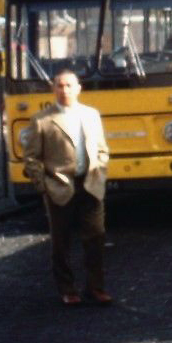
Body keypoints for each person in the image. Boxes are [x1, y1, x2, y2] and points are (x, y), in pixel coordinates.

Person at [21, 69, 112, 306]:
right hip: (59, 188)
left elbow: (102, 149)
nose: (65, 90)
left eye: (69, 85)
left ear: (79, 88)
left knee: (96, 239)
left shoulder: (91, 115)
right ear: (54, 90)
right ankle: (68, 289)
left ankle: (96, 287)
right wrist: (44, 186)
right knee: (61, 243)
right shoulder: (42, 120)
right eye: (60, 86)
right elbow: (31, 158)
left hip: (90, 184)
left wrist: (100, 171)